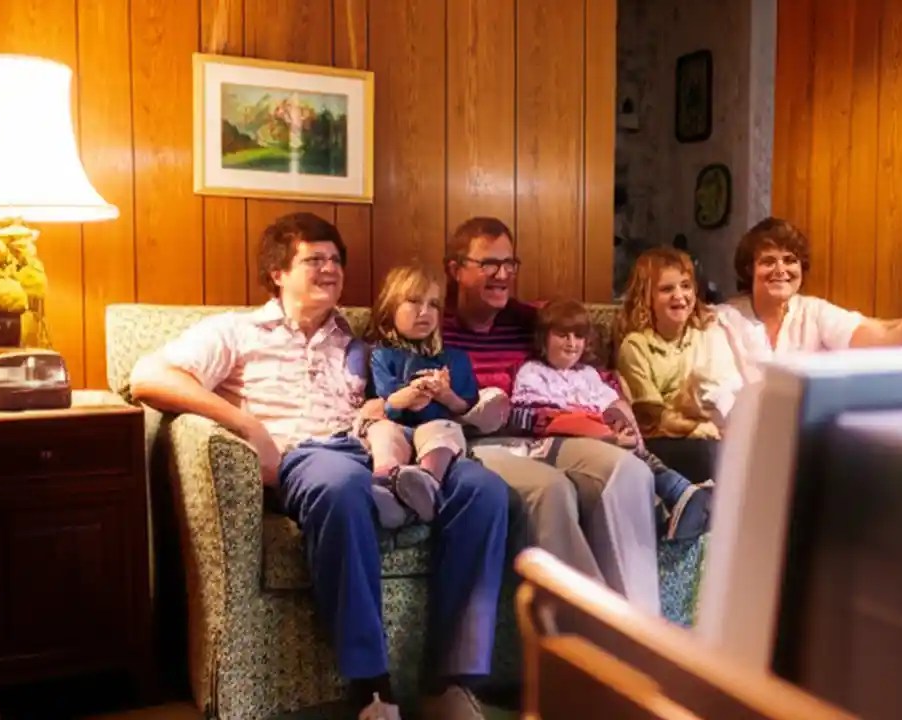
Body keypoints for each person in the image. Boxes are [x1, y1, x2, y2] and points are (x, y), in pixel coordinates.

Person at [129, 212, 507, 720]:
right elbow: (148, 376)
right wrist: (247, 426)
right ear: (278, 273)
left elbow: (394, 401)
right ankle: (372, 688)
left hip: (376, 450)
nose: (329, 269)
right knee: (342, 485)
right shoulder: (237, 331)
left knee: (483, 488)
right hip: (308, 457)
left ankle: (451, 683)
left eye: (335, 260)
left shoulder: (357, 342)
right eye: (314, 259)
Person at [440, 216, 662, 614]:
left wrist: (617, 410)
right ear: (455, 270)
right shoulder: (433, 326)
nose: (502, 275)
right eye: (488, 264)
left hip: (550, 436)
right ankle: (592, 640)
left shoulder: (528, 321)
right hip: (480, 443)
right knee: (550, 489)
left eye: (510, 264)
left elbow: (591, 371)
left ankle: (643, 632)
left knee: (631, 472)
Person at [510, 298, 712, 540]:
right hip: (565, 443)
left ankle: (676, 504)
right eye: (563, 335)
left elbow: (610, 405)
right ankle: (679, 495)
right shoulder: (533, 372)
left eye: (578, 336)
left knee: (639, 455)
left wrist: (622, 427)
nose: (572, 343)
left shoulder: (588, 374)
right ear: (544, 340)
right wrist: (602, 431)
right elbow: (536, 416)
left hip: (606, 436)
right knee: (626, 458)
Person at [718, 217, 902, 385]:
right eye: (768, 261)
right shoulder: (721, 320)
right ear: (748, 269)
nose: (781, 270)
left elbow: (882, 334)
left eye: (790, 260)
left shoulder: (814, 312)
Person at [358, 264, 479, 527]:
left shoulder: (454, 359)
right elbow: (385, 402)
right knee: (382, 431)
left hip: (436, 427)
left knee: (442, 429)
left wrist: (445, 395)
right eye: (413, 302)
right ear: (390, 308)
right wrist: (414, 394)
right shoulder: (381, 354)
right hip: (396, 426)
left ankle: (428, 482)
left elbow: (465, 407)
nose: (425, 312)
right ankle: (385, 485)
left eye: (434, 304)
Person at [614, 247, 741, 486]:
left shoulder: (705, 334)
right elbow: (653, 421)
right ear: (646, 298)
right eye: (666, 289)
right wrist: (697, 428)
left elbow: (726, 391)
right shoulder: (635, 346)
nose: (679, 295)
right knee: (710, 453)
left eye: (686, 285)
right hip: (661, 439)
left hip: (710, 428)